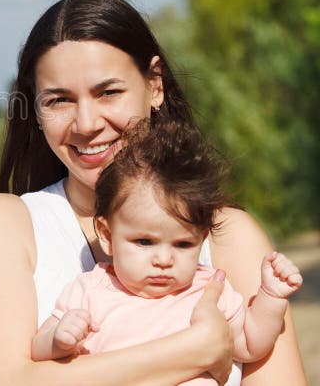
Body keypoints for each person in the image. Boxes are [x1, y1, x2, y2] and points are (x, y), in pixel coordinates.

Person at [0, 0, 307, 385]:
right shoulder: (5, 224)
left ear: (154, 85)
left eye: (108, 92)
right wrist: (195, 349)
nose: (87, 124)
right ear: (36, 110)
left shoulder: (228, 234)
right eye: (59, 100)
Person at [31, 120, 303, 384]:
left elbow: (249, 344)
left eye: (183, 244)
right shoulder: (91, 291)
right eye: (144, 242)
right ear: (107, 235)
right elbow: (37, 350)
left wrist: (271, 298)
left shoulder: (207, 290)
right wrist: (59, 339)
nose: (163, 260)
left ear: (202, 239)